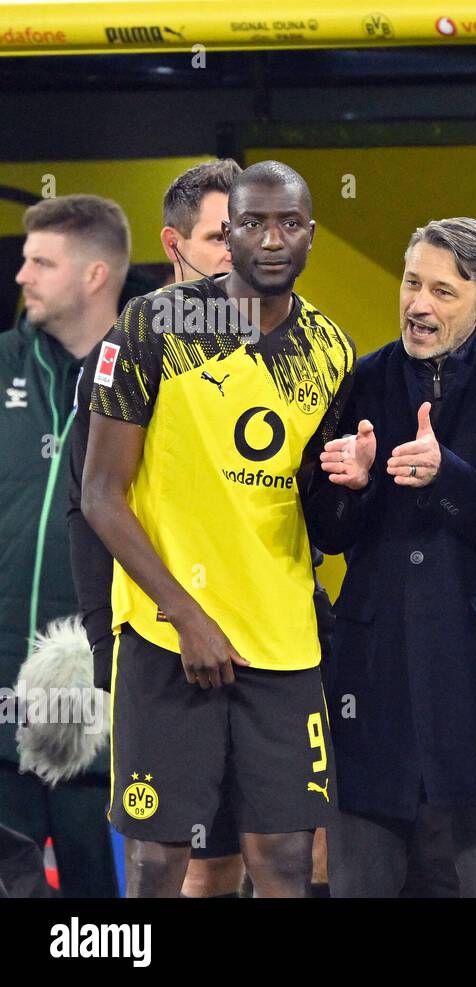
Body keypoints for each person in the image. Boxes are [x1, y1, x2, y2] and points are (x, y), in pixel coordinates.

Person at [82, 161, 355, 897]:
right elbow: (102, 495)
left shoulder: (330, 351)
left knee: (286, 863)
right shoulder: (152, 325)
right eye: (253, 223)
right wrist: (185, 614)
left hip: (281, 643)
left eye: (289, 224)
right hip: (169, 637)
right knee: (158, 861)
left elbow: (321, 519)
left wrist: (351, 480)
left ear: (310, 235)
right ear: (225, 234)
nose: (272, 239)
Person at [310, 218, 476, 897]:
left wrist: (448, 474)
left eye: (442, 291)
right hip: (374, 672)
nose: (418, 305)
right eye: (411, 283)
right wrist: (350, 484)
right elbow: (327, 531)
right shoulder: (362, 379)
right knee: (359, 875)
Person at [64, 159, 250, 899]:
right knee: (164, 861)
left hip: (262, 645)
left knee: (244, 856)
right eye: (218, 237)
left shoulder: (285, 347)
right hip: (162, 647)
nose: (239, 251)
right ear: (174, 244)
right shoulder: (125, 352)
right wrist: (109, 646)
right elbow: (91, 509)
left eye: (248, 231)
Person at [0, 195, 130, 898]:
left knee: (102, 926)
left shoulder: (155, 382)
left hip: (105, 725)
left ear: (93, 275)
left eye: (41, 262)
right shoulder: (3, 367)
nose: (22, 274)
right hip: (0, 726)